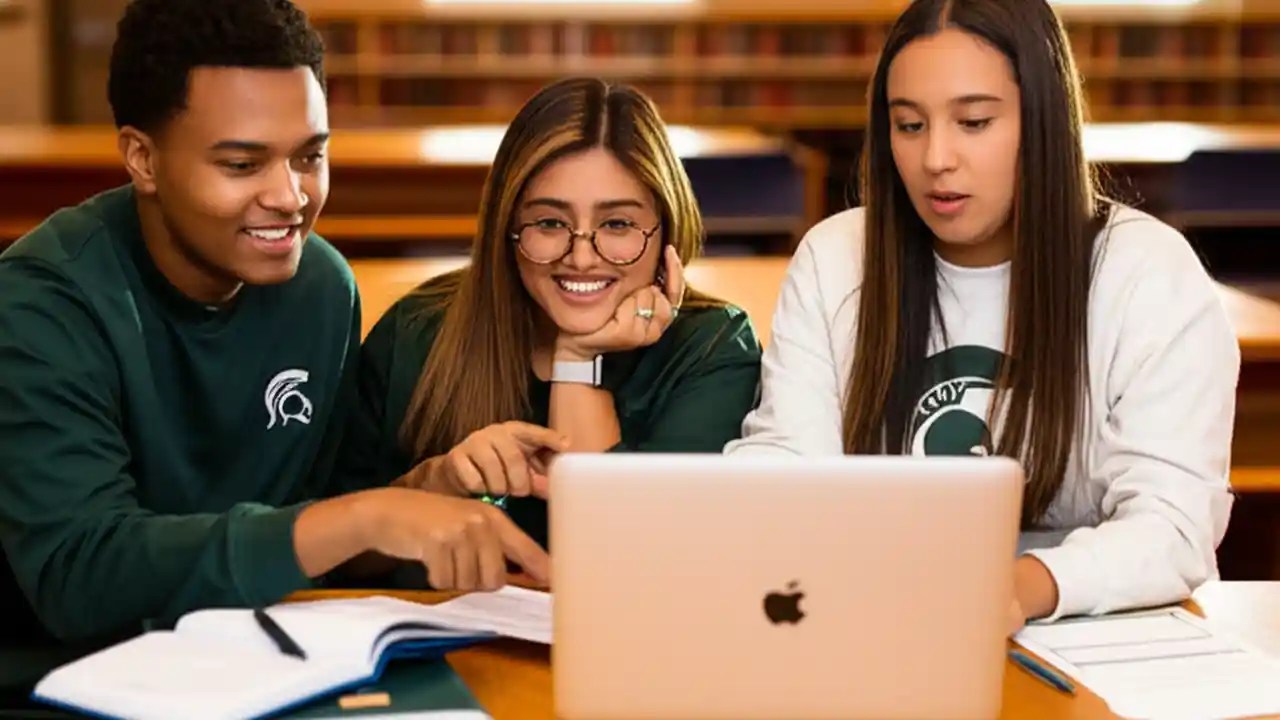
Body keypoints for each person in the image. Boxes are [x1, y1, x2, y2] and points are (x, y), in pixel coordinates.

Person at [0, 0, 549, 685]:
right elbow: (80, 574)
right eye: (241, 164)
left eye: (310, 156)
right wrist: (362, 516)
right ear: (141, 158)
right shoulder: (42, 303)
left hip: (267, 669)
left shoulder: (321, 288)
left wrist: (423, 491)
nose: (290, 197)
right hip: (67, 682)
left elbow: (315, 534)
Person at [725, 0, 1239, 632]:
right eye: (909, 126)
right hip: (879, 624)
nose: (936, 157)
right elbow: (788, 468)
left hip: (1091, 644)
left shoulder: (1147, 272)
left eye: (973, 122)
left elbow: (1174, 523)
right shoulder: (836, 259)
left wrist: (1019, 588)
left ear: (1043, 122)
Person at [338, 77, 762, 558]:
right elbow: (335, 560)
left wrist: (579, 360)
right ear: (508, 228)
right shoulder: (417, 332)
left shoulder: (713, 349)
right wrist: (434, 484)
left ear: (666, 230)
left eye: (617, 224)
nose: (581, 257)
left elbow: (622, 564)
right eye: (549, 223)